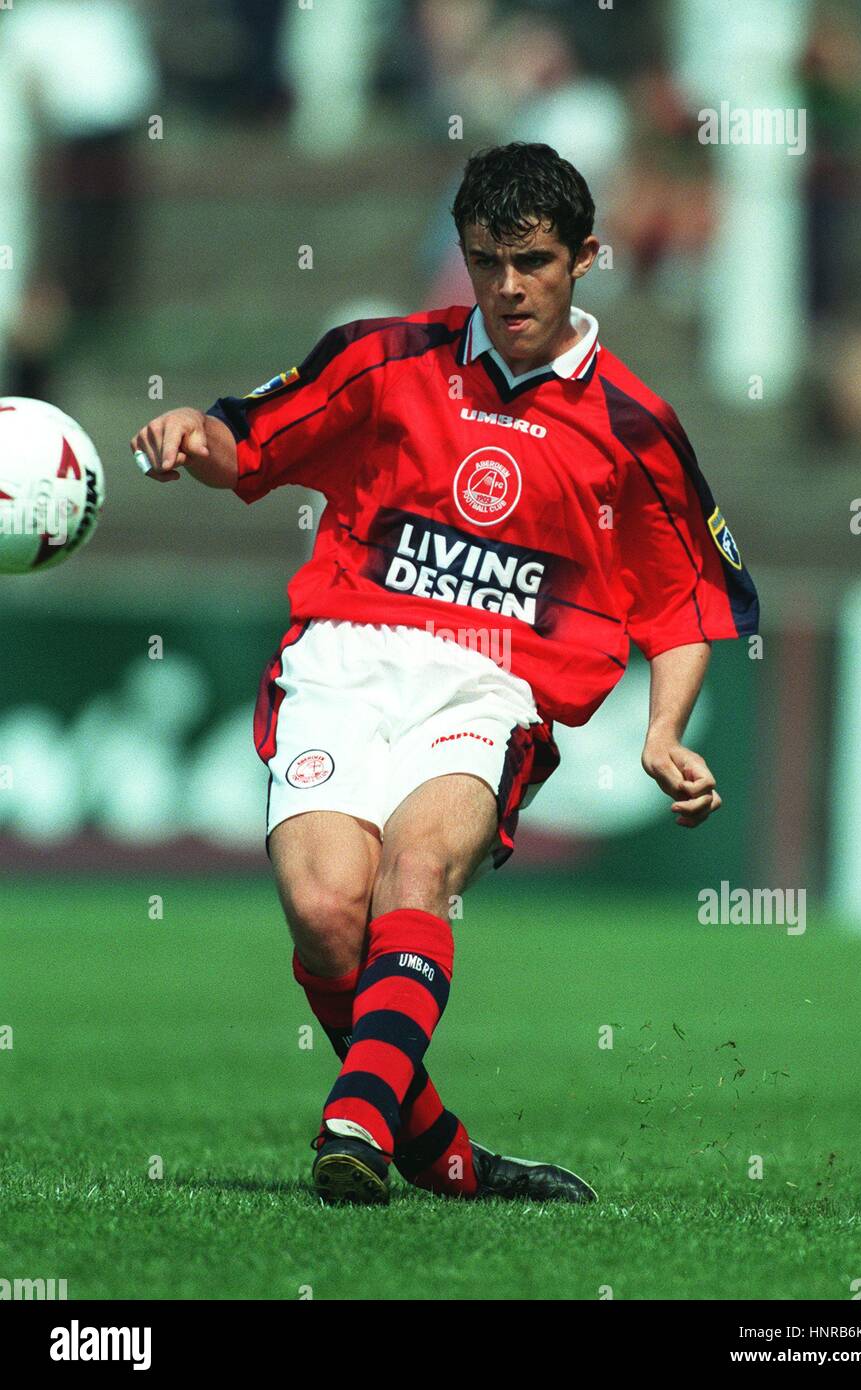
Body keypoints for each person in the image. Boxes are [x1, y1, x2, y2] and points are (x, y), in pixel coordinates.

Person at [130, 142, 759, 1206]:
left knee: (413, 879)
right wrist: (196, 433)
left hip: (491, 690)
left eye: (535, 261)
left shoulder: (635, 428)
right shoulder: (384, 358)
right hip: (342, 661)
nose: (508, 287)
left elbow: (689, 598)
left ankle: (355, 1125)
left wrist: (663, 732)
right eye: (485, 260)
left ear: (587, 258)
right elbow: (252, 438)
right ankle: (442, 1151)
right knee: (330, 916)